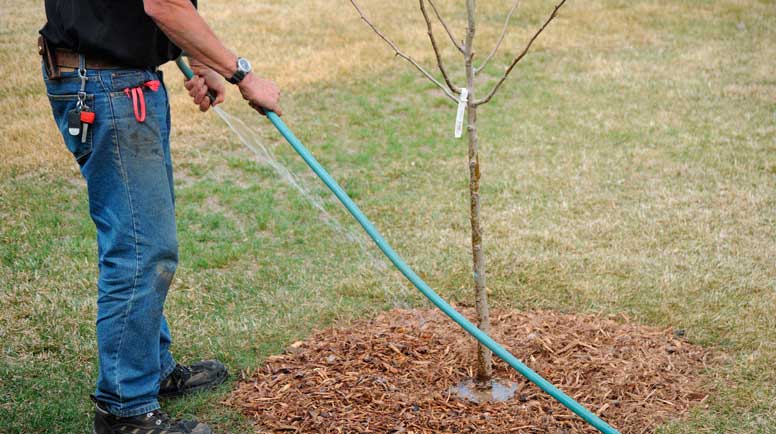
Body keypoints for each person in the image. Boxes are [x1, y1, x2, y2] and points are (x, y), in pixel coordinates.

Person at [39, 1, 282, 433]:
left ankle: (148, 369)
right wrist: (241, 73)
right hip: (108, 86)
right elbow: (163, 5)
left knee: (143, 241)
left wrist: (201, 62)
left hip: (120, 80)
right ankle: (125, 410)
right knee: (141, 249)